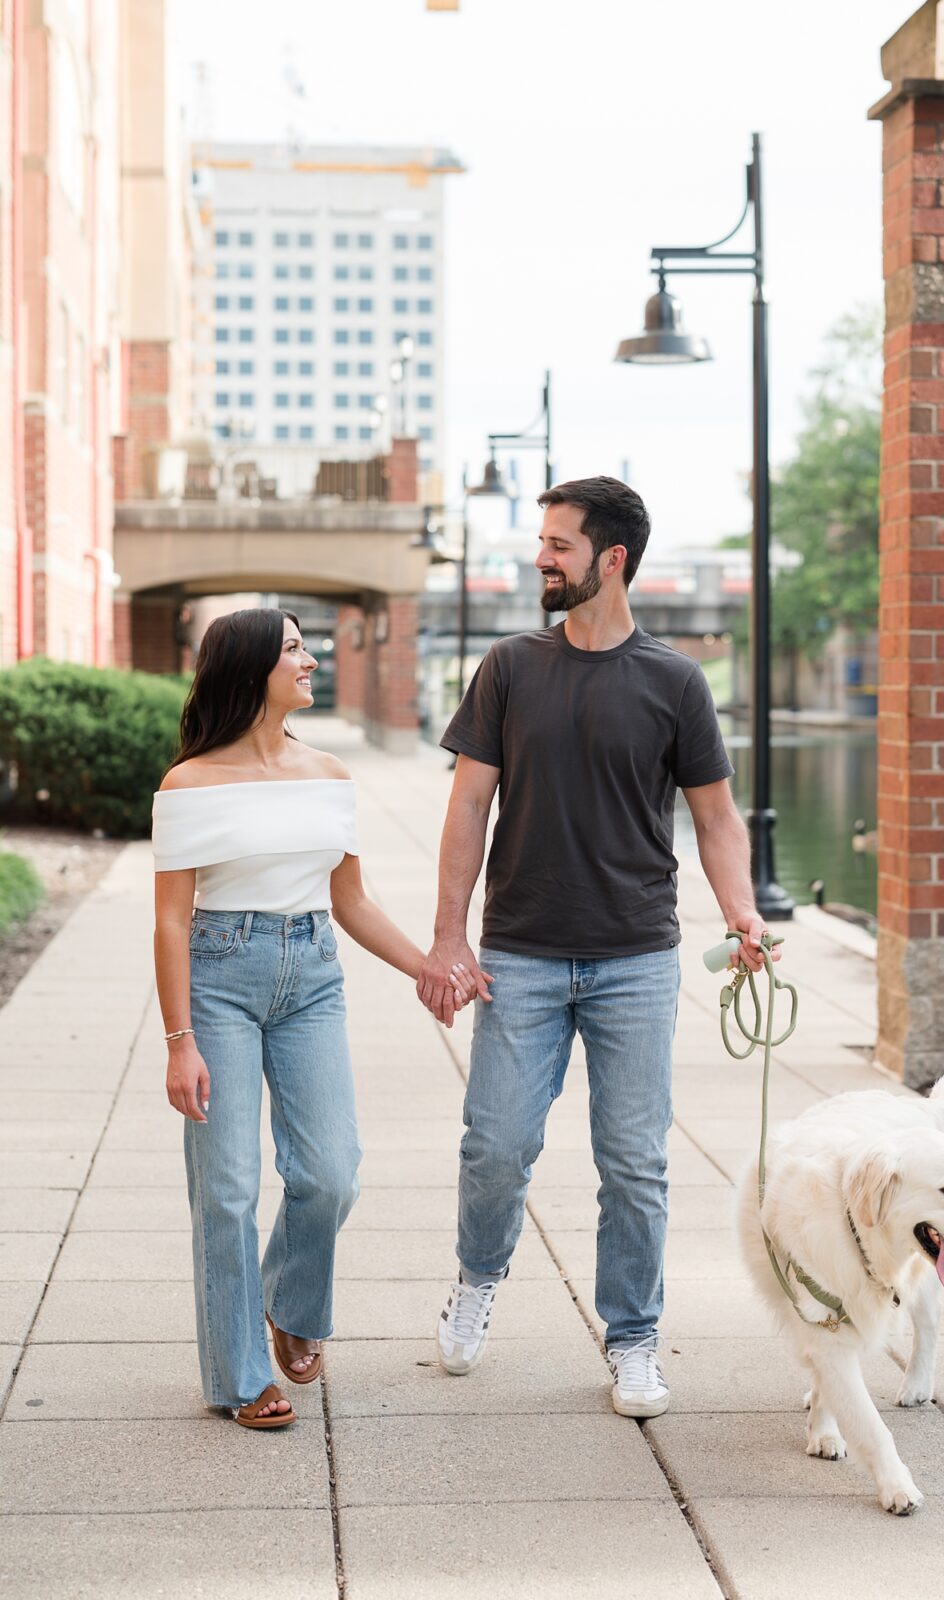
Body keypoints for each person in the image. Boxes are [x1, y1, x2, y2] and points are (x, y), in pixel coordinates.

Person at [417, 476, 771, 1418]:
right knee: (496, 1145)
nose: (542, 556)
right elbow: (467, 808)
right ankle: (478, 1279)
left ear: (611, 560)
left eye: (559, 544)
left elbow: (718, 818)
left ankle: (634, 1337)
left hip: (635, 960)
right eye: (542, 541)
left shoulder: (674, 682)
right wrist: (448, 938)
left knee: (634, 1163)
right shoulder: (509, 667)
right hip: (521, 953)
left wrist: (741, 915)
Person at [152, 607, 469, 1429]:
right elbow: (169, 920)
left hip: (312, 977)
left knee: (331, 1174)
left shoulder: (329, 775)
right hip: (219, 976)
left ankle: (290, 1301)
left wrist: (427, 967)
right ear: (250, 666)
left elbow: (351, 900)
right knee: (226, 1190)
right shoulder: (188, 784)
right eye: (293, 648)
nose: (310, 658)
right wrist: (178, 1040)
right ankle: (239, 1375)